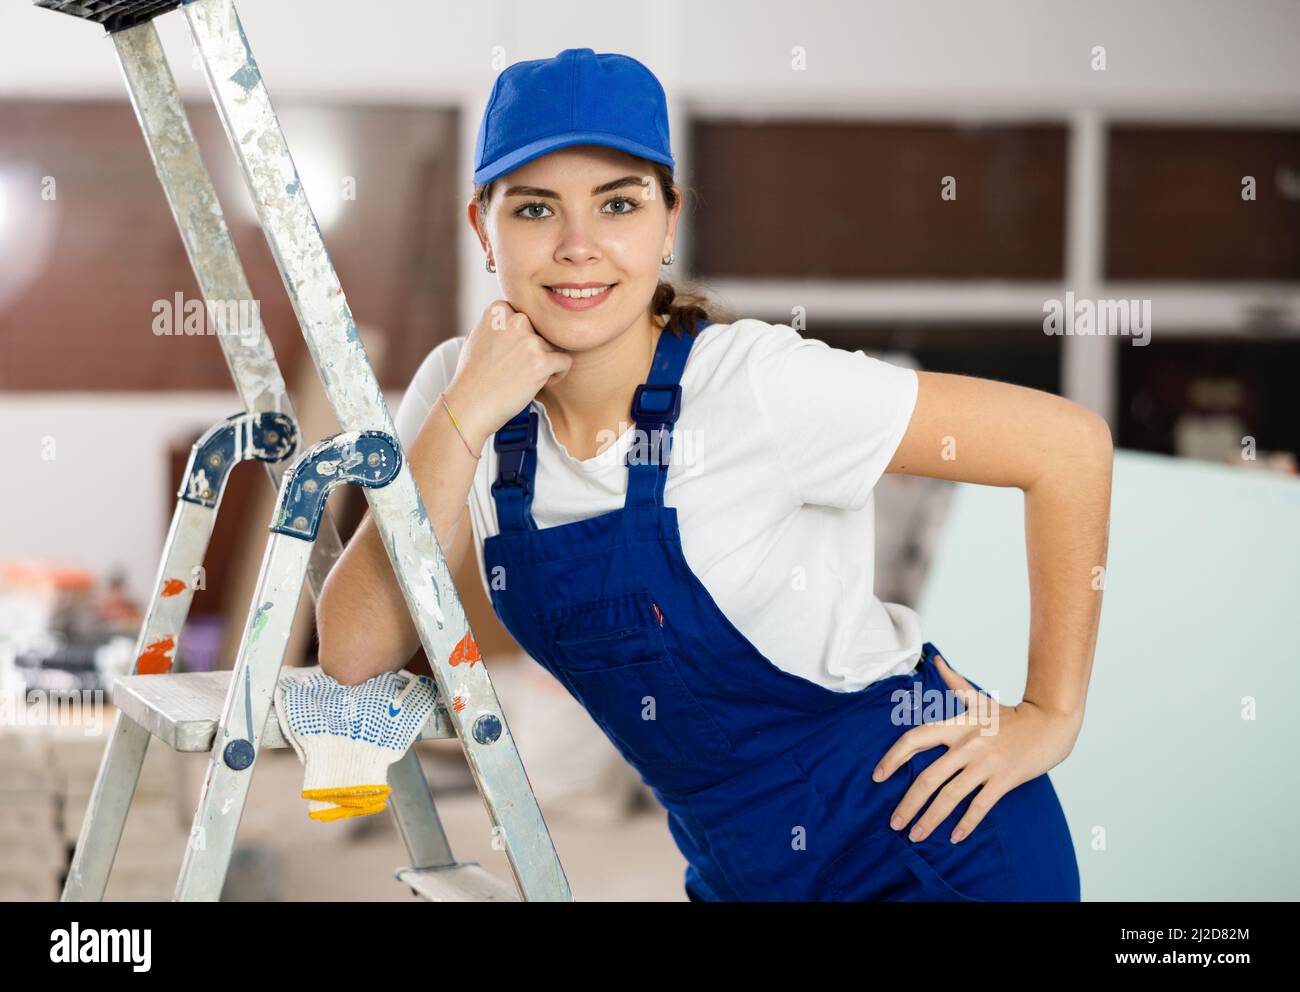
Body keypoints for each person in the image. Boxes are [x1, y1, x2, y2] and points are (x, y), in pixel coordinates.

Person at [315, 48, 1112, 901]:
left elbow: (1067, 448)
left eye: (617, 204)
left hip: (926, 847)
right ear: (483, 226)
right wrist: (469, 413)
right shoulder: (455, 386)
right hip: (738, 870)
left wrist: (1050, 717)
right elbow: (357, 653)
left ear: (667, 221)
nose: (579, 247)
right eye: (536, 208)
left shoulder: (755, 384)